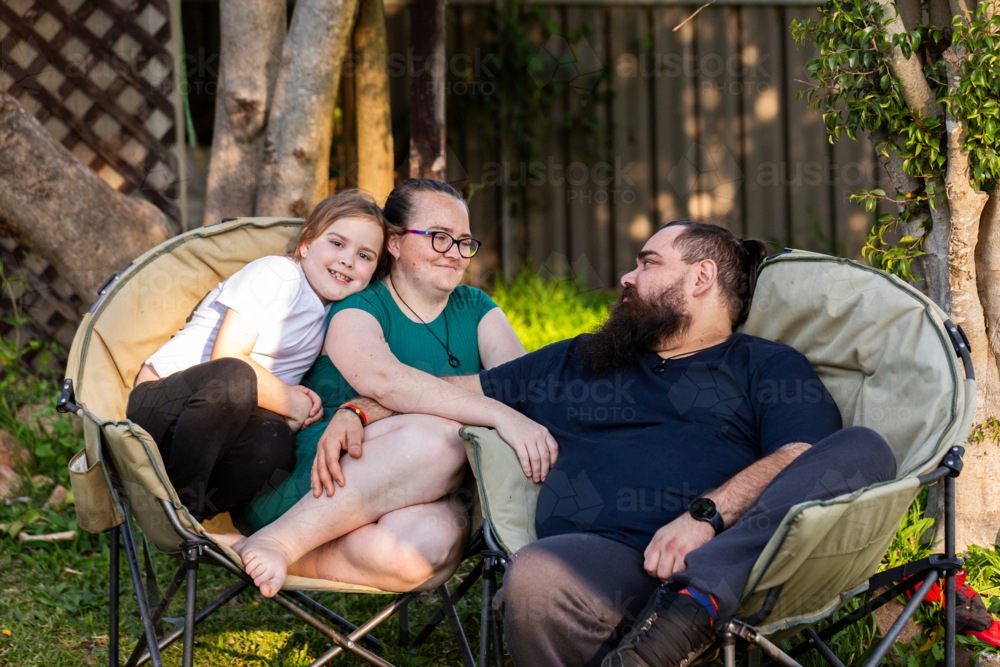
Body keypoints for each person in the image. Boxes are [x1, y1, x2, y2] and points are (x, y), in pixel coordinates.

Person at [418, 221, 895, 667]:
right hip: (605, 562)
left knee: (865, 448)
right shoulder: (582, 357)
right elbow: (446, 390)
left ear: (702, 276)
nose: (627, 277)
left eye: (648, 263)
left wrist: (703, 518)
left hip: (729, 564)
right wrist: (358, 408)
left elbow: (800, 457)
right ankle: (664, 636)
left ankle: (691, 604)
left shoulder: (765, 365)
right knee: (534, 574)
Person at [225, 179, 559, 597]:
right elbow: (385, 381)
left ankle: (274, 555)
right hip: (321, 474)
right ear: (396, 243)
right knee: (442, 439)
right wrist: (494, 410)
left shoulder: (478, 309)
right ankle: (280, 539)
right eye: (439, 238)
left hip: (422, 493)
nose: (455, 254)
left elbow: (519, 387)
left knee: (428, 545)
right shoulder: (358, 306)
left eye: (463, 242)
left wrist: (366, 409)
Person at [126, 191, 386, 520]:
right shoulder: (278, 274)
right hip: (160, 411)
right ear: (306, 243)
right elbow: (228, 356)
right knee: (235, 377)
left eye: (365, 256)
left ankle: (187, 518)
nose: (348, 259)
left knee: (275, 447)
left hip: (217, 435)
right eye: (337, 243)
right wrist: (294, 403)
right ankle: (181, 504)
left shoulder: (337, 314)